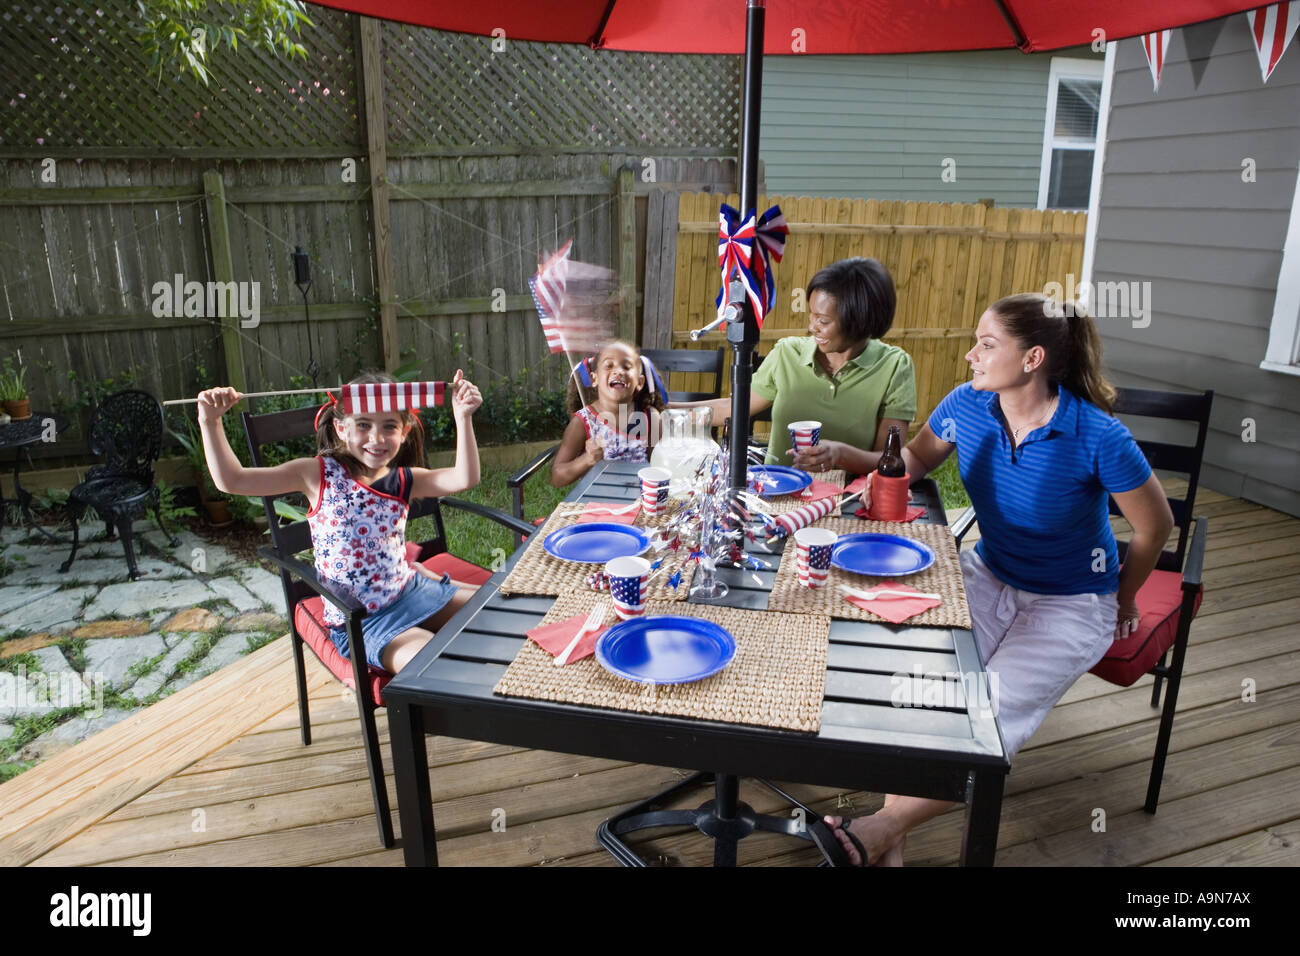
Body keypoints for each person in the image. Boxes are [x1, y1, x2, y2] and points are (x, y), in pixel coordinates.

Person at [824, 293, 1174, 866]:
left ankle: (881, 826)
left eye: (987, 345)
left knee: (986, 717)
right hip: (988, 574)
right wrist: (852, 474)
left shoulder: (1097, 435)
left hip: (1073, 601)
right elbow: (909, 464)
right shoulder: (967, 405)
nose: (970, 355)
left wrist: (1124, 597)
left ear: (1033, 358)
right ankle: (890, 838)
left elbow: (1154, 527)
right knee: (918, 686)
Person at [196, 369, 484, 674]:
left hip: (410, 591)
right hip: (362, 621)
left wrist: (463, 416)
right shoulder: (316, 474)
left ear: (405, 431)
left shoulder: (403, 480)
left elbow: (465, 477)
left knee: (499, 611)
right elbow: (233, 480)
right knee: (438, 665)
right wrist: (210, 422)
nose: (376, 438)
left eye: (389, 426)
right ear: (341, 428)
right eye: (363, 425)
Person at [682, 257, 916, 471]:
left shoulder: (895, 367)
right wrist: (665, 409)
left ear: (860, 321)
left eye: (823, 320)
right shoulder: (787, 353)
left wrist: (839, 454)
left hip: (847, 502)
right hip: (777, 492)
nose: (812, 327)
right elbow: (734, 407)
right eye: (811, 315)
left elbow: (888, 458)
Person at [551, 340, 667, 485]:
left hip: (638, 501)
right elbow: (557, 477)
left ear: (640, 382)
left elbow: (658, 466)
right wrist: (587, 459)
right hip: (596, 503)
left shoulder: (650, 418)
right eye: (609, 365)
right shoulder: (583, 422)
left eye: (626, 366)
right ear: (594, 378)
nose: (618, 371)